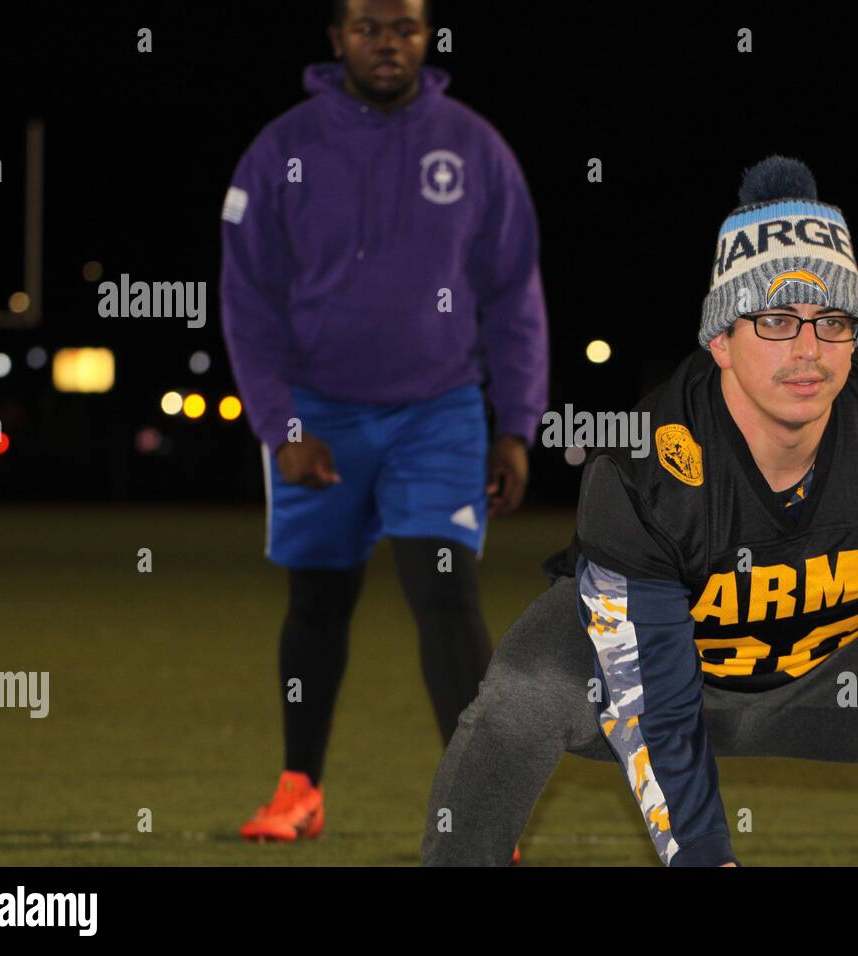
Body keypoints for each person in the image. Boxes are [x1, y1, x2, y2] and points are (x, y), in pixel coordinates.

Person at [421, 155, 858, 867]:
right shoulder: (646, 466)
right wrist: (704, 855)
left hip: (840, 679)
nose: (809, 350)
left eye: (833, 321)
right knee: (525, 690)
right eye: (777, 321)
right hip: (669, 679)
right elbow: (653, 701)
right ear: (720, 339)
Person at [220, 0, 548, 843]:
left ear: (427, 35)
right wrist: (281, 427)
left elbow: (513, 293)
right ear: (337, 39)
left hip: (438, 410)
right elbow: (248, 300)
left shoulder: (474, 147)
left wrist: (517, 424)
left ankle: (482, 812)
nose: (388, 43)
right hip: (319, 412)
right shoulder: (281, 150)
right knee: (319, 600)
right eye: (369, 28)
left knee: (445, 594)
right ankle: (299, 790)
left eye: (405, 26)